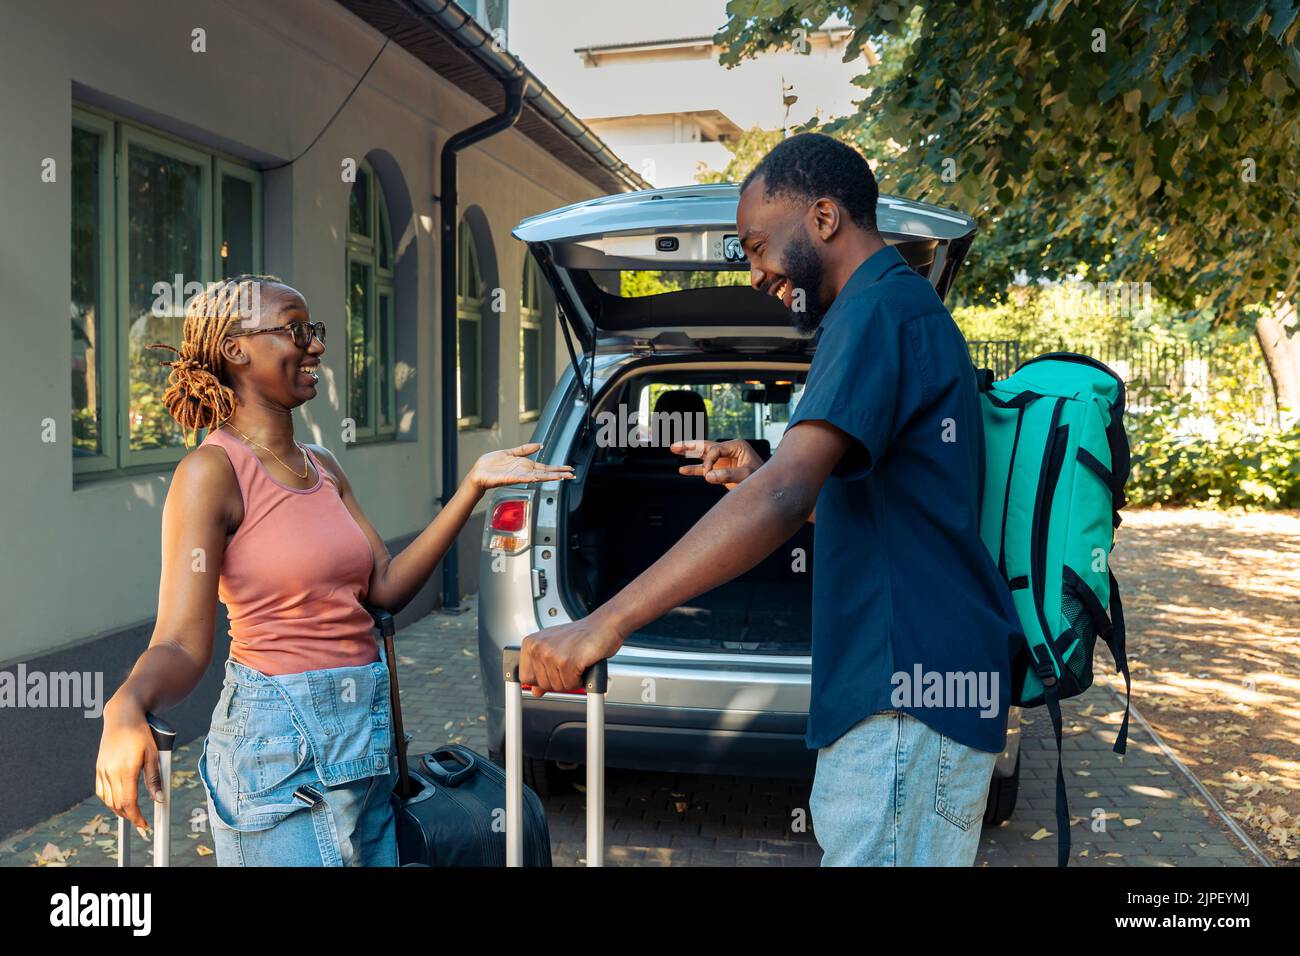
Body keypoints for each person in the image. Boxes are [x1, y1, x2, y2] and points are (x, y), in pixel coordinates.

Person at [518, 133, 1022, 866]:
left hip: (909, 706)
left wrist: (603, 625)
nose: (753, 273)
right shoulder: (892, 307)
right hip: (905, 700)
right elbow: (867, 513)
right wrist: (761, 472)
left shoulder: (875, 311)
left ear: (823, 217)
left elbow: (789, 496)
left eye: (756, 246)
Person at [95, 274, 571, 866]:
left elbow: (386, 588)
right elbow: (179, 641)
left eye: (313, 330)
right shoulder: (211, 472)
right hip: (277, 757)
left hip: (366, 745)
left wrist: (471, 486)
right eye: (297, 329)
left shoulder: (322, 465)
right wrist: (124, 706)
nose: (316, 345)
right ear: (236, 348)